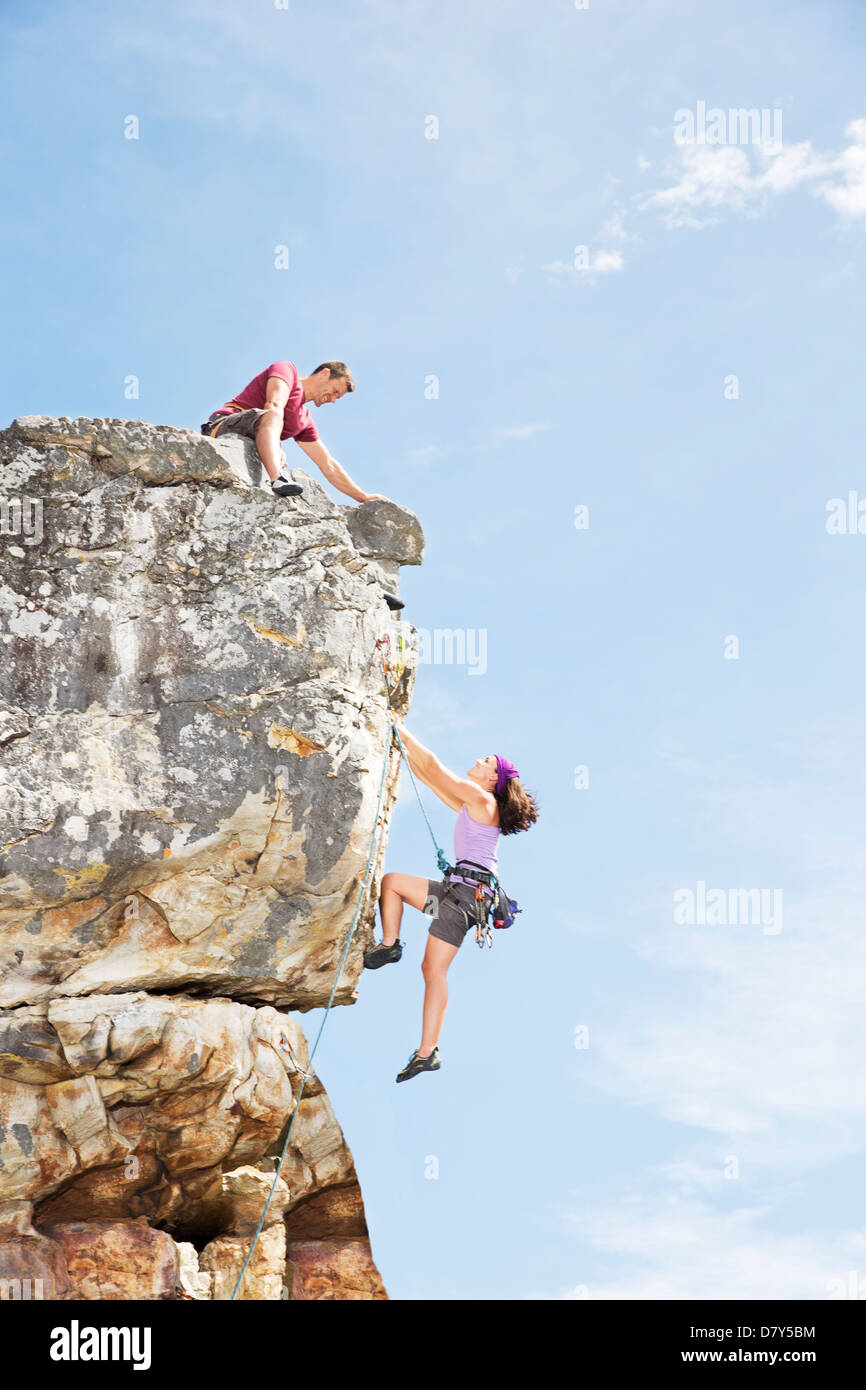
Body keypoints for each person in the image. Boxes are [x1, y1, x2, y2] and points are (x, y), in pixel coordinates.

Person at [364, 721, 539, 1083]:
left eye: (485, 760)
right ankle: (390, 945)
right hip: (449, 896)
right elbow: (429, 779)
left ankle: (427, 1053)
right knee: (392, 884)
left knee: (433, 970)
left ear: (494, 779)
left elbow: (433, 767)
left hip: (464, 902)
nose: (477, 760)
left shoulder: (483, 800)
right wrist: (398, 748)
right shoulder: (472, 803)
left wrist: (396, 727)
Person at [200, 358, 403, 610]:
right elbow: (273, 404)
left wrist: (362, 496)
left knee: (320, 522)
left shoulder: (303, 419)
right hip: (226, 425)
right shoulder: (287, 371)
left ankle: (367, 586)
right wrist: (275, 448)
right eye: (335, 391)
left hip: (262, 441)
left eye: (338, 398)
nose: (332, 400)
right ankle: (276, 478)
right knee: (273, 415)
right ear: (325, 373)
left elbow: (327, 463)